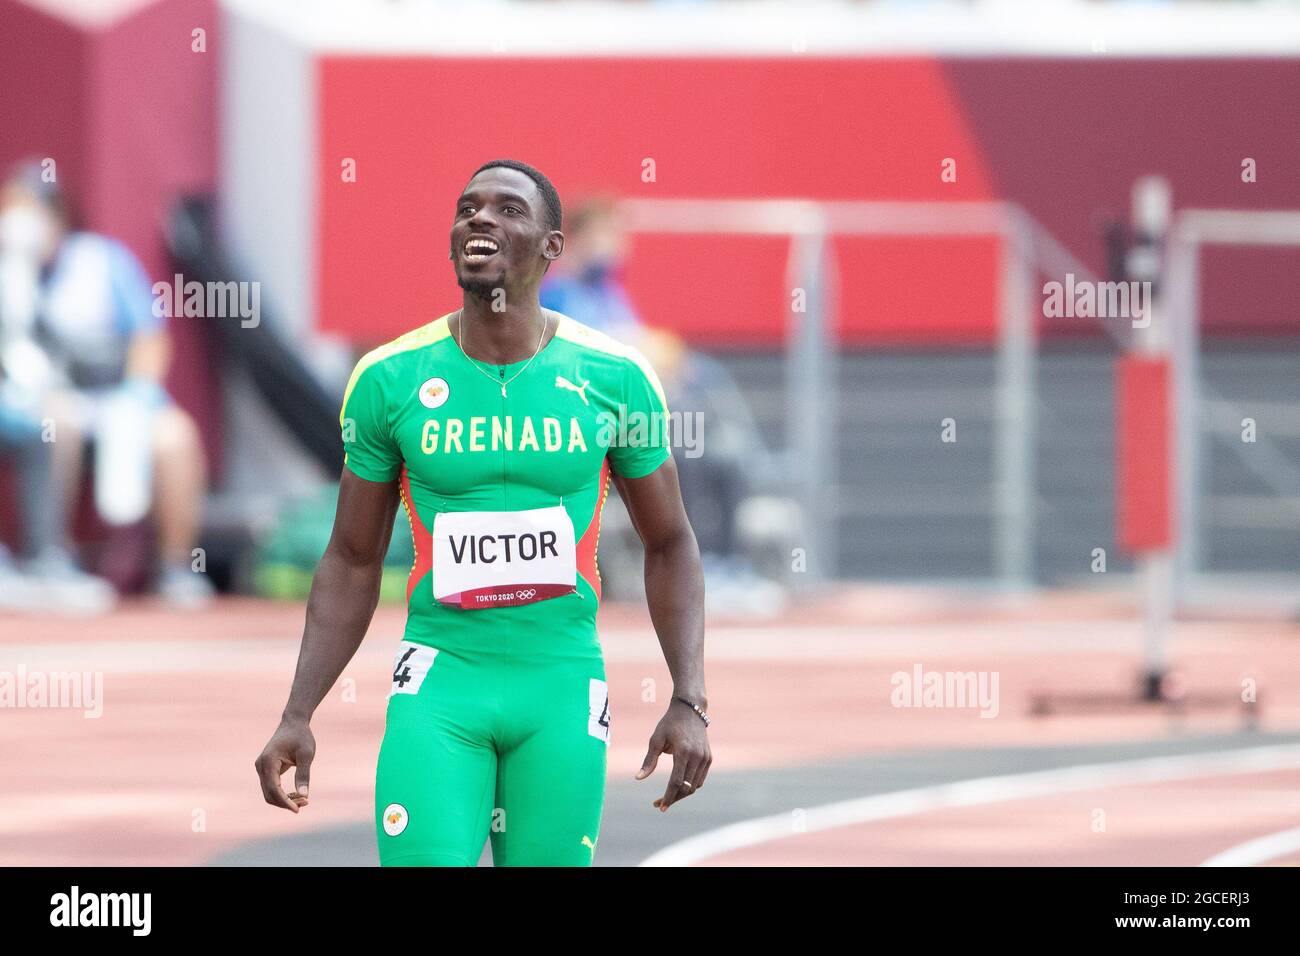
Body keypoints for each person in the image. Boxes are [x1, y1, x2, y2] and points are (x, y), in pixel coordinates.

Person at [255, 159, 711, 866]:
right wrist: (297, 711)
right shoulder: (388, 379)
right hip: (441, 682)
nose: (480, 219)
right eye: (468, 208)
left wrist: (689, 698)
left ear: (553, 247)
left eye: (507, 209)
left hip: (559, 683)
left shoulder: (616, 379)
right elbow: (351, 558)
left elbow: (671, 543)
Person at [0, 163, 213, 608]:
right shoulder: (8, 272)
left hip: (120, 398)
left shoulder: (103, 262)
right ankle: (48, 559)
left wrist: (138, 393)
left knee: (175, 438)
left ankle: (177, 568)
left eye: (29, 214)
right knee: (54, 424)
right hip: (50, 403)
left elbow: (149, 338)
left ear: (56, 217)